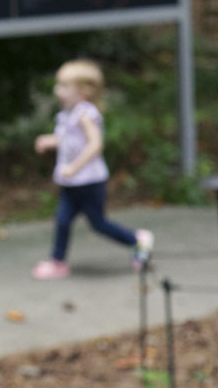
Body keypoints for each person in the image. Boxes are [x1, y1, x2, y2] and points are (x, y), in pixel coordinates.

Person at [30, 59, 152, 280]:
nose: (58, 91)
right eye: (59, 85)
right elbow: (68, 140)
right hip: (71, 183)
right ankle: (58, 262)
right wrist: (51, 140)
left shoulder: (86, 114)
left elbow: (95, 144)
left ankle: (138, 241)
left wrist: (74, 167)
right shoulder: (68, 113)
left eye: (64, 86)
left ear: (85, 91)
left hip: (89, 182)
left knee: (98, 224)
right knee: (62, 220)